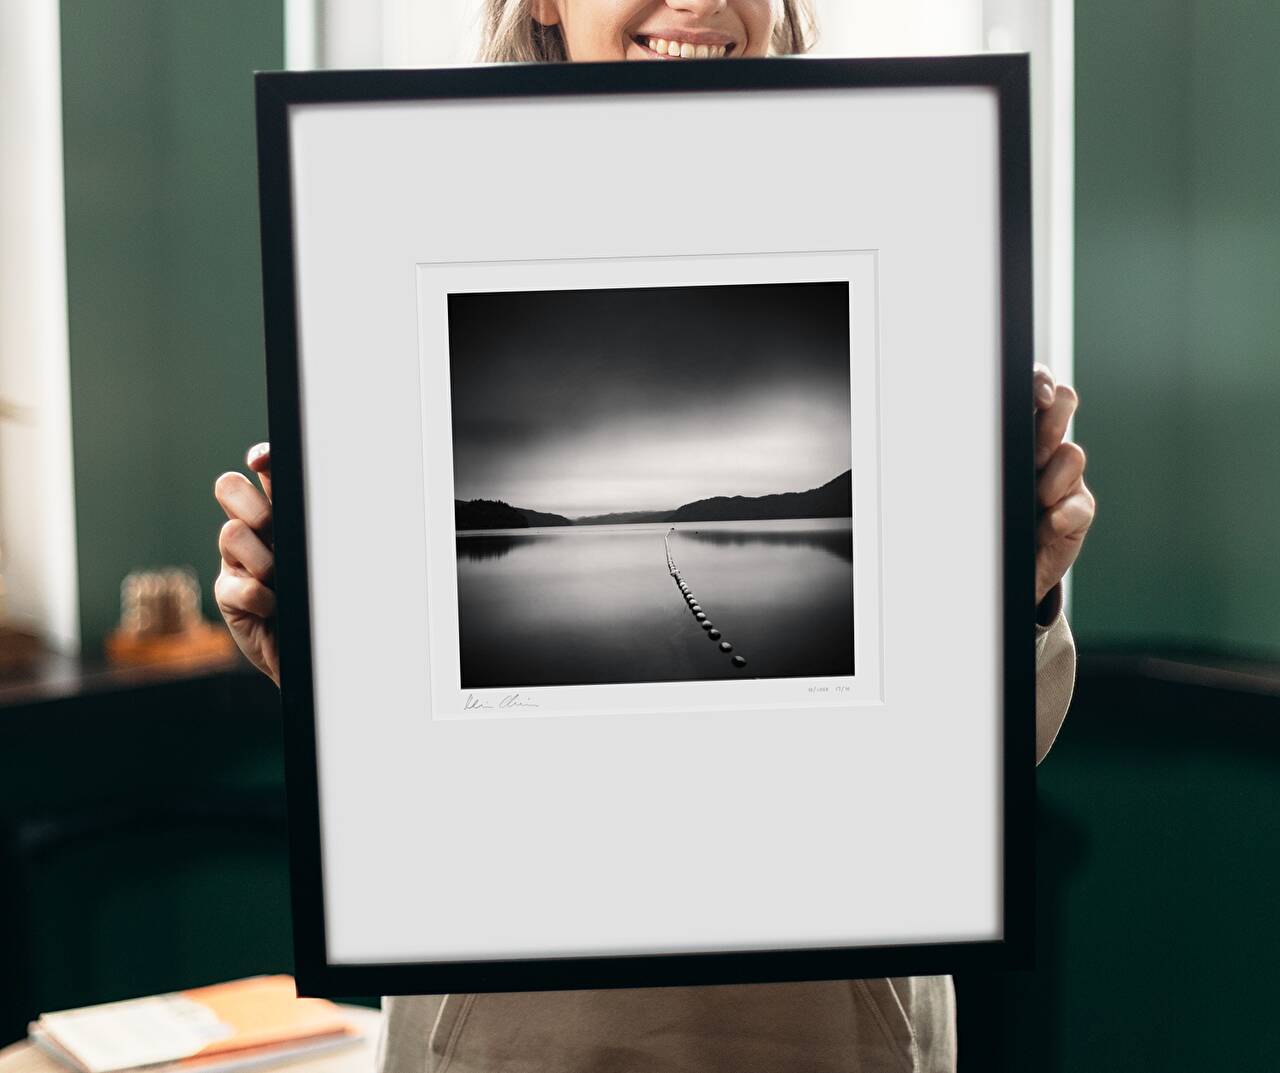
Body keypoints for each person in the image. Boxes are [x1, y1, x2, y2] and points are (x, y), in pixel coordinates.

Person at [214, 3, 1096, 1069]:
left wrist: (1025, 595)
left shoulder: (905, 212)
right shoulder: (404, 214)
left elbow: (987, 755)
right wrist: (319, 660)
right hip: (507, 1031)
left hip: (834, 1024)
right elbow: (417, 767)